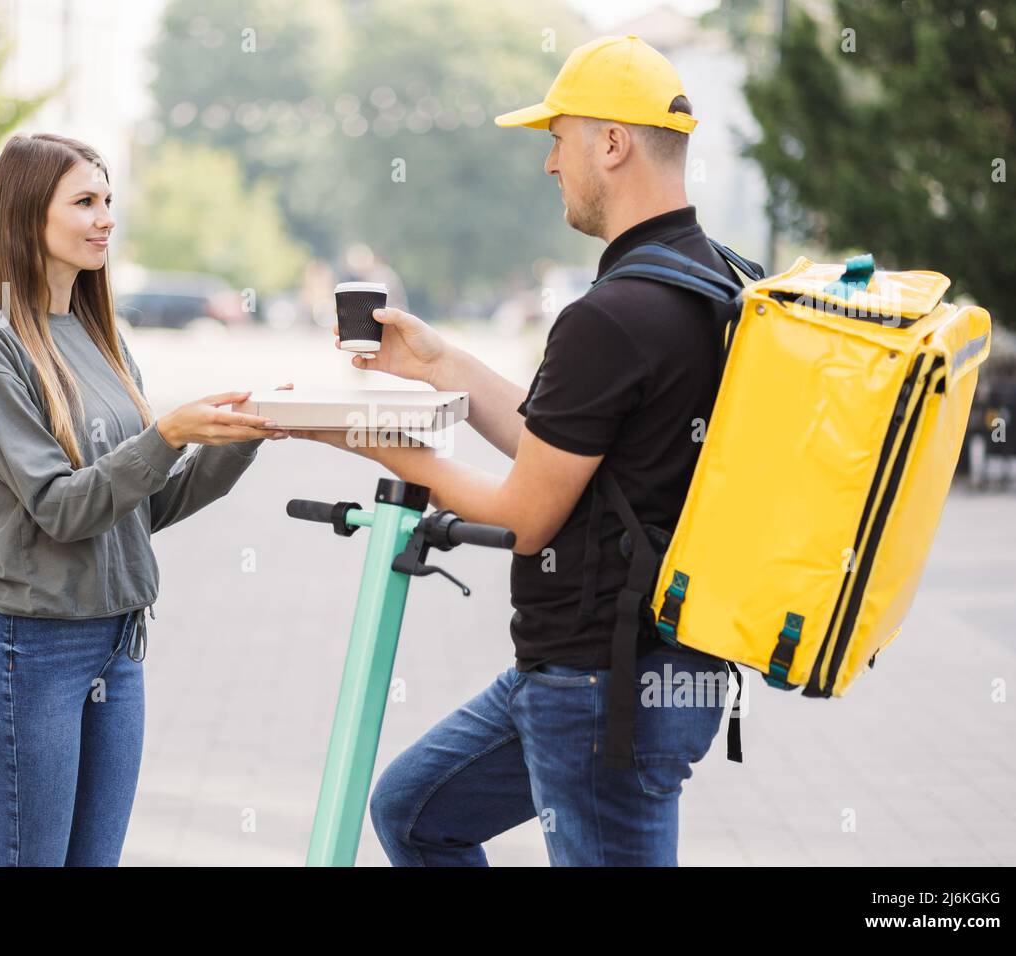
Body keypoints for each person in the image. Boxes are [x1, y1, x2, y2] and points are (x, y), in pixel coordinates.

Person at [290, 36, 741, 866]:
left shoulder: (611, 315)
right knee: (416, 812)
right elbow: (566, 449)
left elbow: (526, 515)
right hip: (635, 666)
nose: (548, 165)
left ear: (612, 143)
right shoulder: (714, 282)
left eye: (557, 139)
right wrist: (439, 368)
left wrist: (360, 438)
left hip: (603, 687)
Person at [0, 133, 290, 865]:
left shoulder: (105, 338)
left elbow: (141, 508)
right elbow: (62, 508)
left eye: (108, 202)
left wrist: (239, 438)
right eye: (85, 202)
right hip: (34, 652)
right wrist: (165, 434)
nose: (105, 219)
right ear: (29, 212)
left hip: (119, 647)